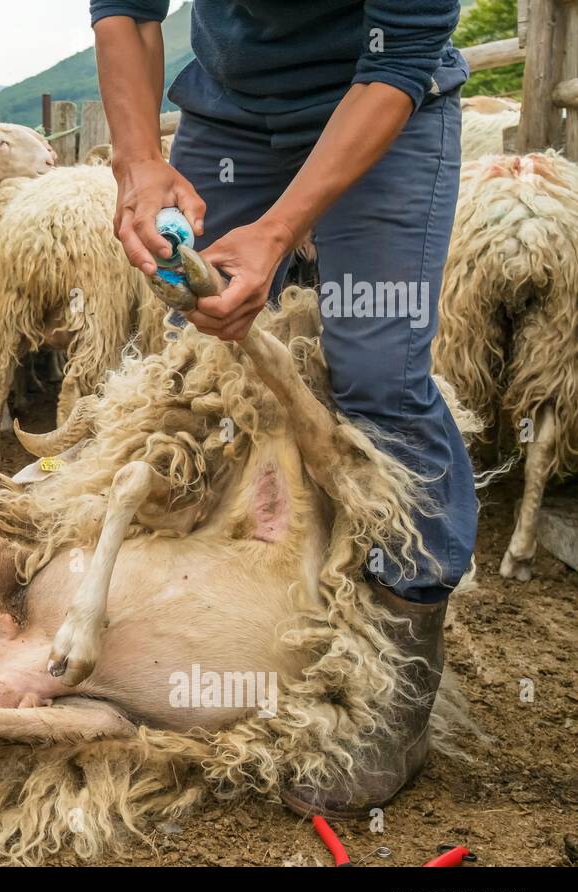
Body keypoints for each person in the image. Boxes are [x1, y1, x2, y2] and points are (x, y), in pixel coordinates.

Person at [91, 0, 476, 816]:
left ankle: (397, 679)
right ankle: (208, 611)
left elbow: (400, 56)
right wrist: (138, 164)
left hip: (382, 107)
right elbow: (124, 7)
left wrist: (279, 230)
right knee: (203, 367)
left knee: (378, 377)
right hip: (229, 117)